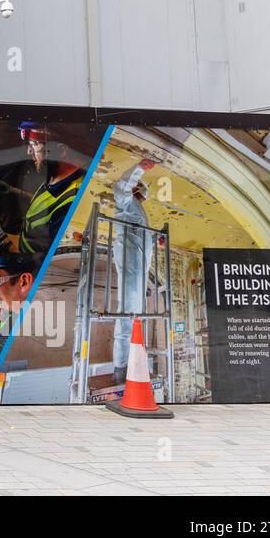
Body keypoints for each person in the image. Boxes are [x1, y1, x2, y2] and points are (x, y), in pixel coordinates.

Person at [109, 159, 156, 384]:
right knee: (128, 310)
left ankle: (131, 362)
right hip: (129, 259)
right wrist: (139, 168)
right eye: (141, 191)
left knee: (136, 312)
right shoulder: (125, 201)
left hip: (139, 264)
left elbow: (144, 236)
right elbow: (121, 186)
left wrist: (157, 240)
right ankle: (120, 365)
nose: (143, 196)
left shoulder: (139, 211)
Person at [18, 124, 87, 255]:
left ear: (61, 151)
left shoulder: (71, 202)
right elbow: (45, 205)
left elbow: (44, 258)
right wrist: (15, 191)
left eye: (35, 144)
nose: (29, 151)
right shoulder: (53, 177)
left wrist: (4, 243)